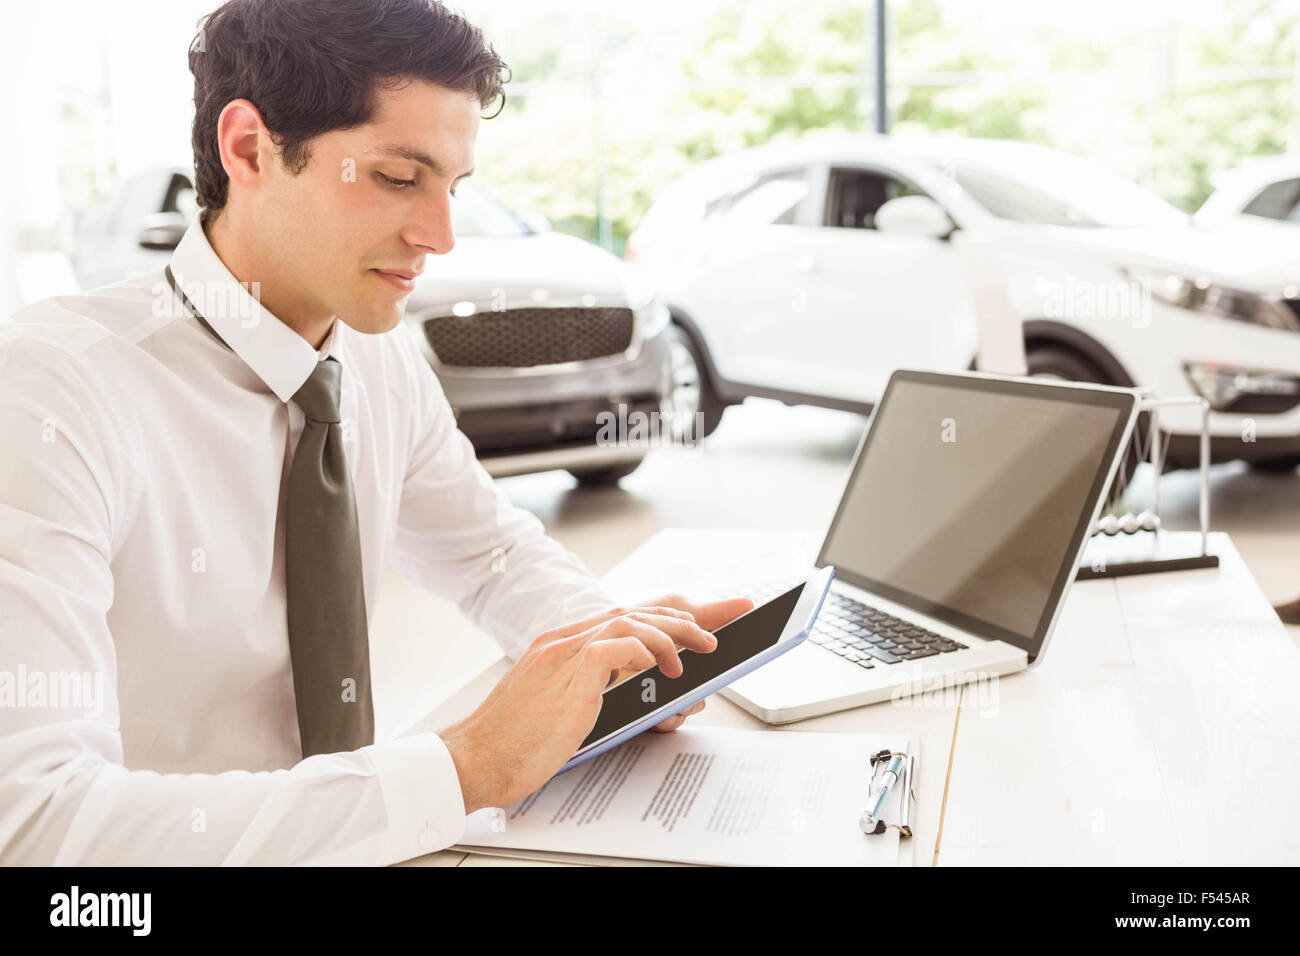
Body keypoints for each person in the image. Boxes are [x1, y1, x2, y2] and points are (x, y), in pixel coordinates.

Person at [0, 0, 752, 865]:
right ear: (249, 149)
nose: (439, 238)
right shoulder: (50, 394)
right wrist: (465, 766)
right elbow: (34, 822)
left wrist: (608, 654)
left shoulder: (373, 358)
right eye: (399, 178)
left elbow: (488, 553)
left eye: (453, 188)